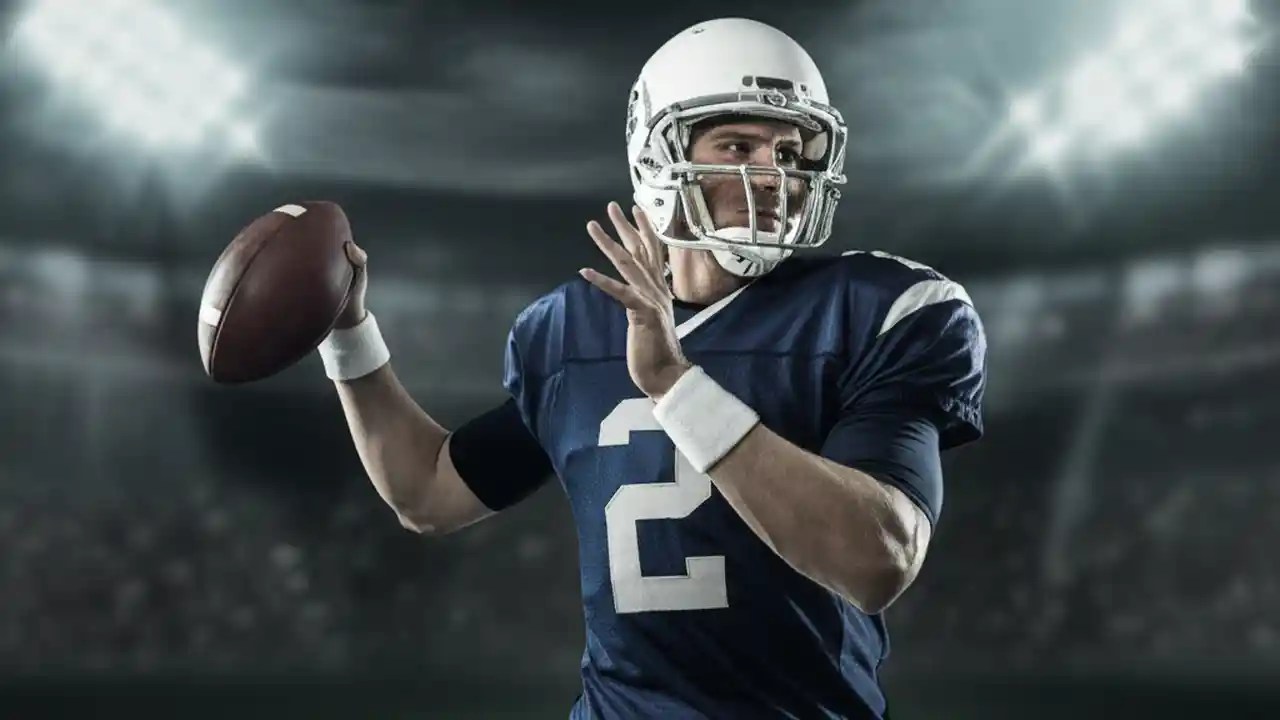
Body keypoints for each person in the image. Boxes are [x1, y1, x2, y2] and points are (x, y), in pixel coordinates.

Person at [317, 17, 987, 720]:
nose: (774, 175)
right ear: (659, 157)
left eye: (790, 151)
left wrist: (676, 384)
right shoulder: (571, 327)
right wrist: (347, 331)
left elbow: (876, 559)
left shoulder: (881, 311)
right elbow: (427, 493)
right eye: (738, 145)